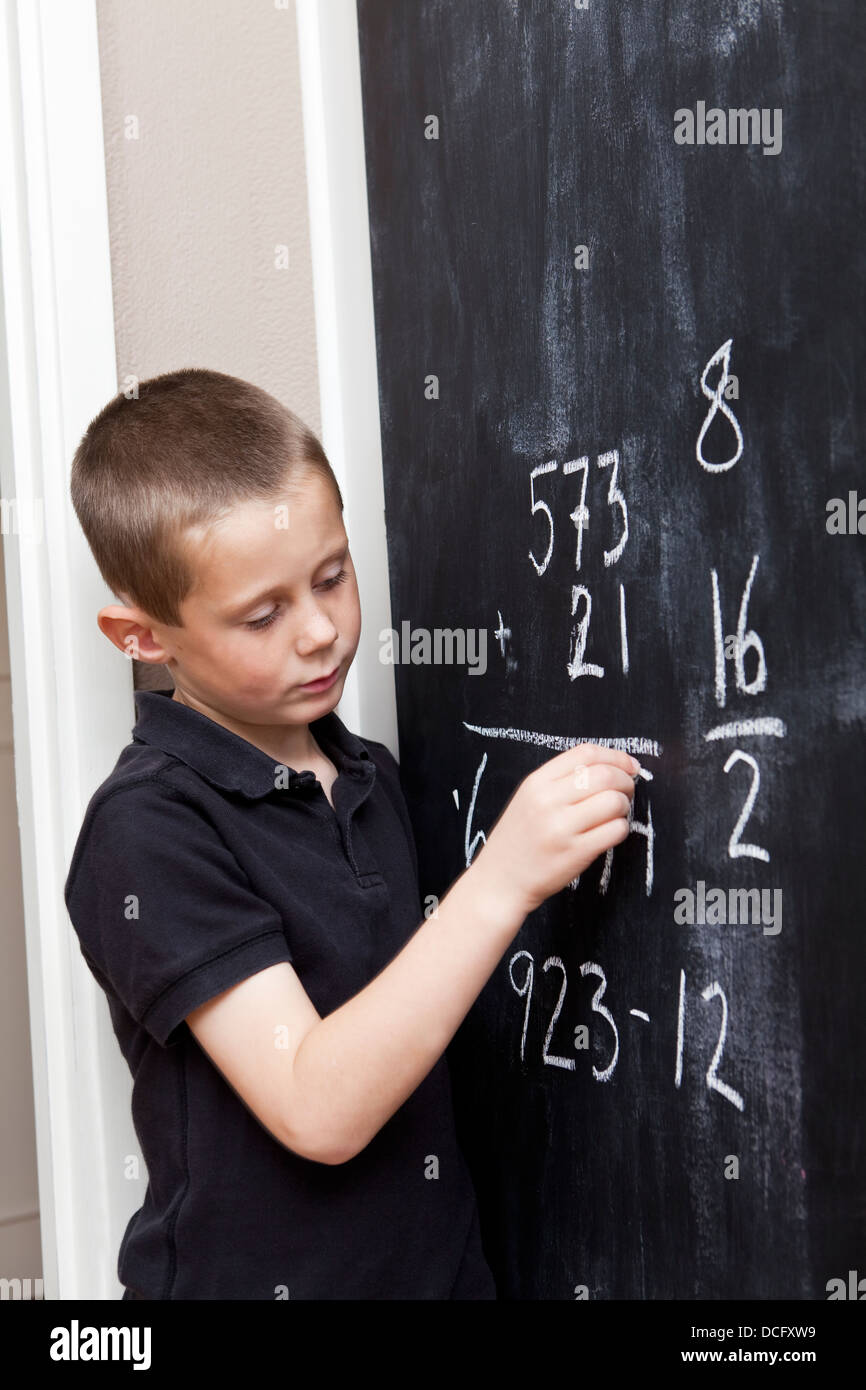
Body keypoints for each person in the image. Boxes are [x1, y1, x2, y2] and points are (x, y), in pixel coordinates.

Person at [63, 367, 638, 1299]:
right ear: (142, 638)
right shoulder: (147, 831)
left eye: (333, 576)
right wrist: (500, 881)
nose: (322, 631)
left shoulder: (370, 774)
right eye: (263, 614)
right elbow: (315, 1106)